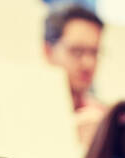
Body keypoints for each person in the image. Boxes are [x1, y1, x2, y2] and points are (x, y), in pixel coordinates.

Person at [43, 3, 107, 148]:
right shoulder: (24, 112)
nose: (88, 63)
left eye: (94, 52)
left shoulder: (104, 117)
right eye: (77, 51)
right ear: (48, 51)